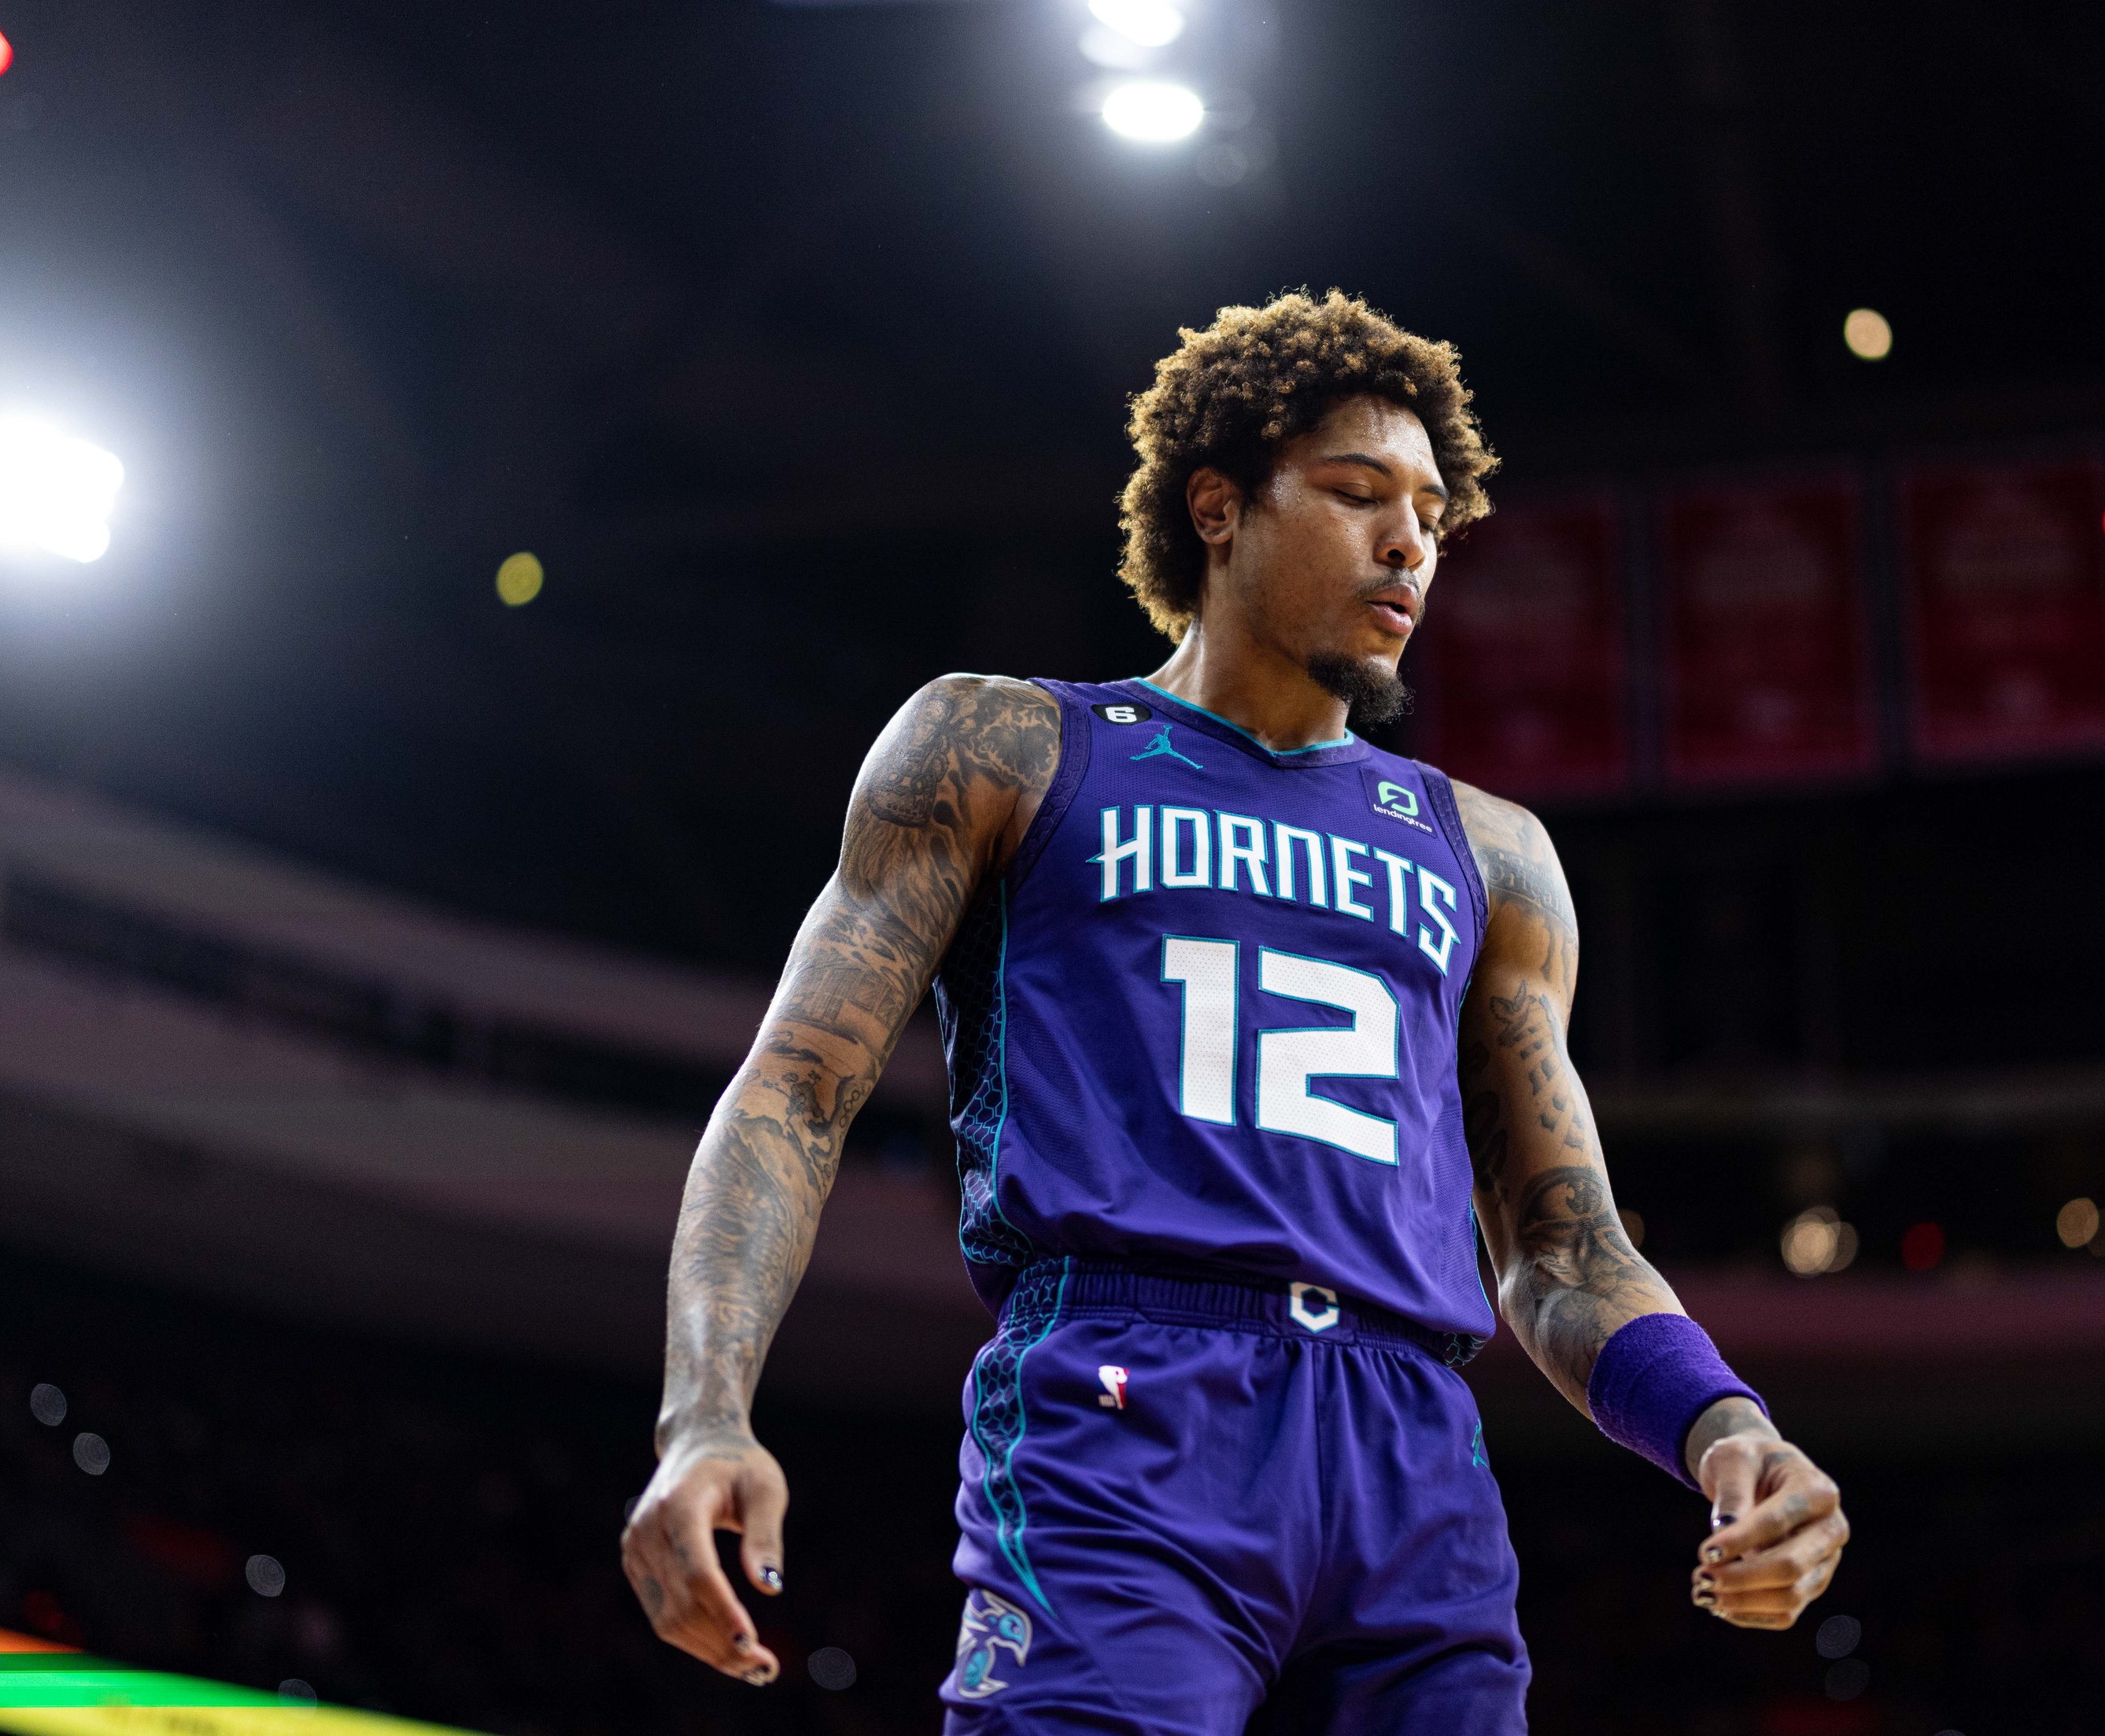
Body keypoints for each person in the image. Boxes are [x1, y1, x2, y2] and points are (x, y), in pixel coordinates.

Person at [620, 290, 1848, 1731]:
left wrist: (1726, 1421)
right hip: (1127, 1403)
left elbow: (1566, 1247)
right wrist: (704, 1411)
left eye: (1433, 515)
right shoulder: (1008, 745)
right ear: (1217, 506)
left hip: (1413, 1451)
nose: (1411, 543)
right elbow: (792, 1093)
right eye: (1359, 493)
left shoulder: (1492, 852)